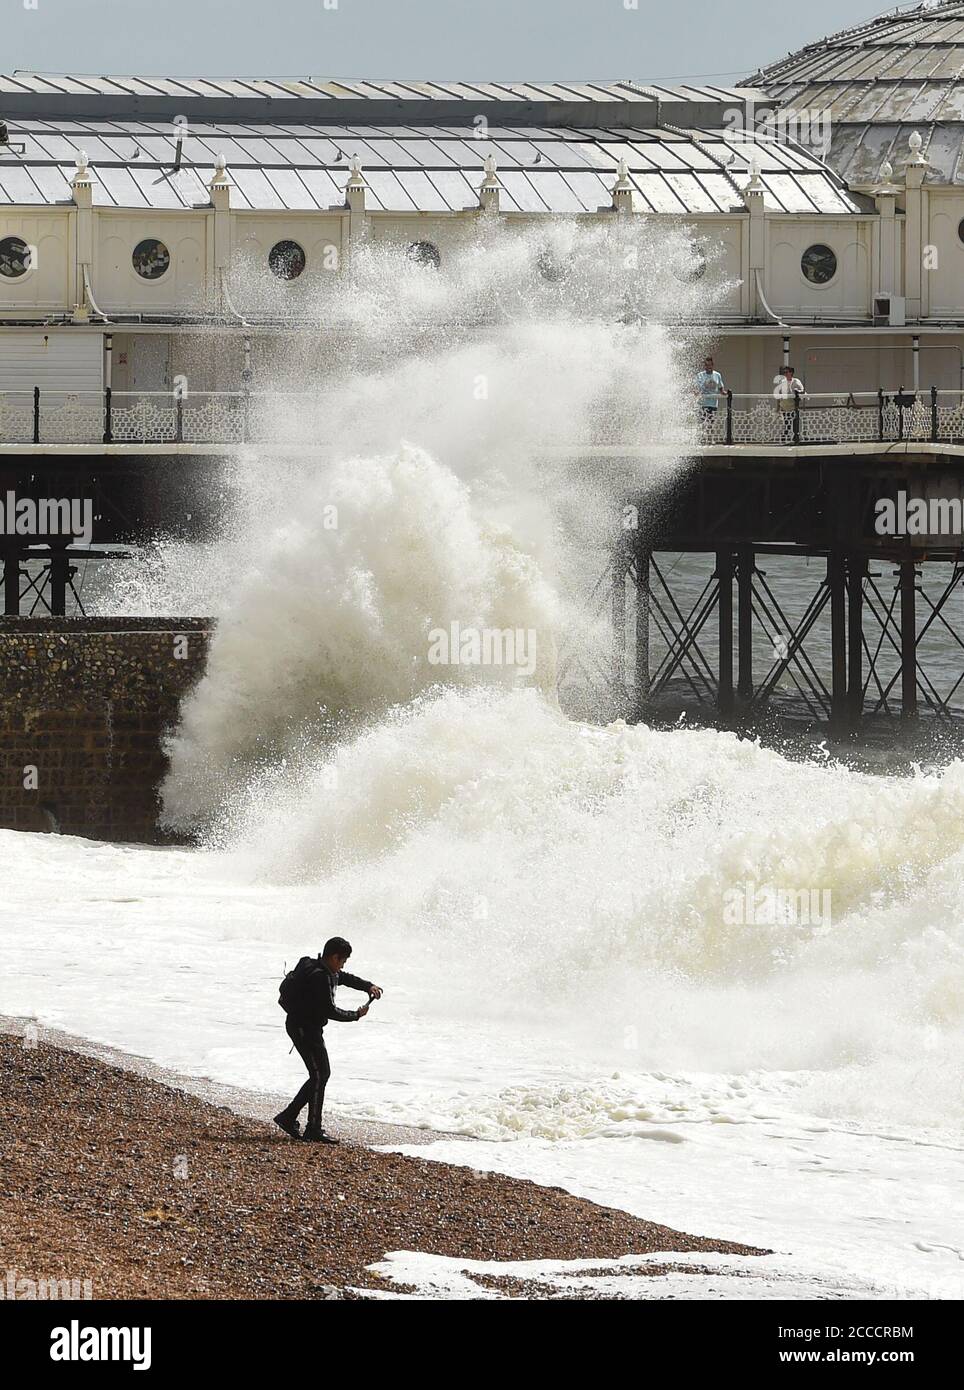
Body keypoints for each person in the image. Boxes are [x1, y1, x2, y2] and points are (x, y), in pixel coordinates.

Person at [274, 937, 384, 1144]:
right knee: (320, 1074)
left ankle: (289, 1117)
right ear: (334, 957)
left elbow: (344, 978)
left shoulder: (317, 966)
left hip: (303, 1026)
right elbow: (330, 1011)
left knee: (319, 1074)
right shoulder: (319, 977)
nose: (343, 965)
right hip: (304, 1029)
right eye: (343, 960)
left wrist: (368, 986)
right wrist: (356, 1015)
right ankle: (312, 1127)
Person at [773, 365, 807, 441]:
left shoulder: (796, 381)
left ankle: (794, 437)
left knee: (795, 421)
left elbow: (802, 391)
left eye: (786, 372)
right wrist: (778, 407)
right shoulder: (782, 382)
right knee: (786, 422)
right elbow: (779, 394)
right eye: (784, 372)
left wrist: (797, 392)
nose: (785, 374)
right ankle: (786, 436)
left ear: (791, 373)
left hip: (794, 406)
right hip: (785, 406)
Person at [695, 356, 725, 422]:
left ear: (712, 365)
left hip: (713, 404)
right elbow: (697, 388)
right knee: (702, 423)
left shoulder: (717, 375)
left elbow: (720, 387)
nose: (708, 367)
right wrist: (696, 392)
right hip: (703, 404)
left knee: (711, 424)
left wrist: (723, 392)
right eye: (706, 365)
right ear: (704, 366)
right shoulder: (700, 375)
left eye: (710, 365)